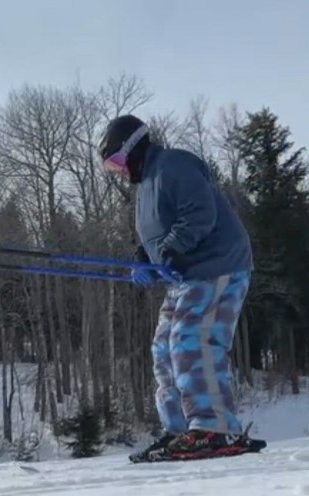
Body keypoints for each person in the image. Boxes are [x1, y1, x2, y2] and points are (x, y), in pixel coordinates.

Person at [99, 114, 264, 462]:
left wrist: (172, 250)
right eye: (111, 168)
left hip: (218, 266)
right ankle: (181, 430)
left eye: (116, 162)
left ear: (132, 149)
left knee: (191, 340)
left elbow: (200, 214)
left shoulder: (174, 165)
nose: (118, 172)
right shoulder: (145, 187)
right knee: (163, 349)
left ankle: (213, 428)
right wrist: (143, 258)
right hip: (185, 277)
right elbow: (155, 235)